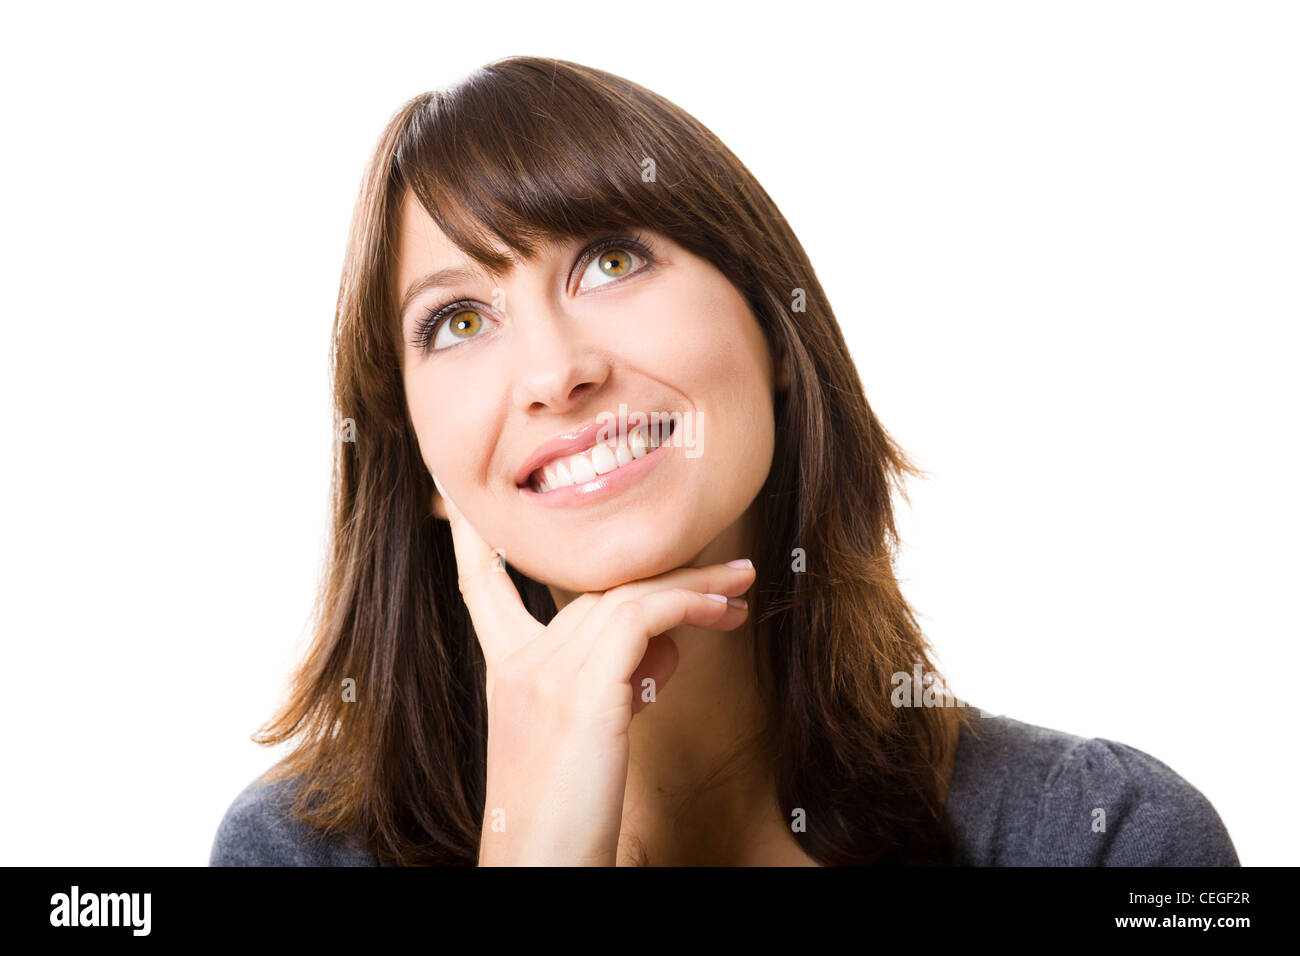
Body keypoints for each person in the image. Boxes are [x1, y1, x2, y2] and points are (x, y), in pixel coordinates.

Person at [210, 56, 1239, 866]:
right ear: (423, 465)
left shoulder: (1103, 838)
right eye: (460, 318)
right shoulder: (295, 852)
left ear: (772, 332)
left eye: (610, 259)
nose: (555, 371)